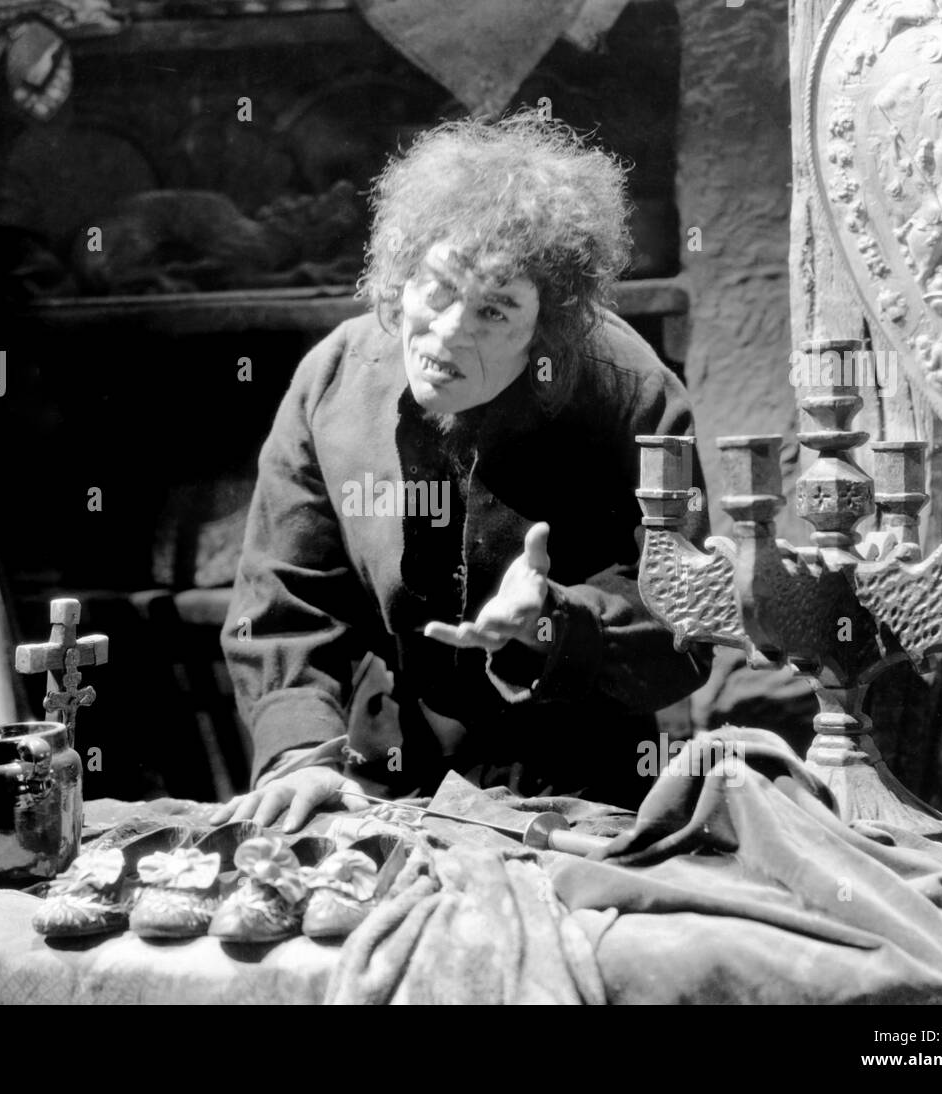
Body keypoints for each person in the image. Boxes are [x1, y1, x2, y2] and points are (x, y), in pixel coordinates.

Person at [213, 110, 710, 833]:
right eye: (437, 289)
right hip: (393, 766)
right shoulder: (333, 383)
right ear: (399, 273)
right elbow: (287, 599)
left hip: (591, 776)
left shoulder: (633, 393)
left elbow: (684, 618)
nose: (448, 333)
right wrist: (300, 758)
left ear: (549, 329)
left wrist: (554, 623)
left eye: (495, 311)